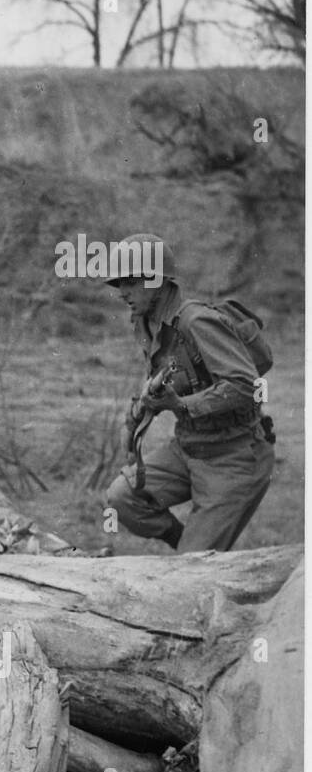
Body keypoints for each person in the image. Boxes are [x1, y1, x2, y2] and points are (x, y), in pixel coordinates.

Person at [103, 232, 275, 552]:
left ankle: (195, 558)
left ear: (156, 279)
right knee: (123, 499)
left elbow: (245, 386)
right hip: (189, 446)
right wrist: (135, 422)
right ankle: (190, 550)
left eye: (130, 282)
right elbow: (159, 380)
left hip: (235, 456)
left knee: (191, 567)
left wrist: (181, 405)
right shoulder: (145, 322)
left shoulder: (197, 321)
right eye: (118, 284)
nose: (122, 292)